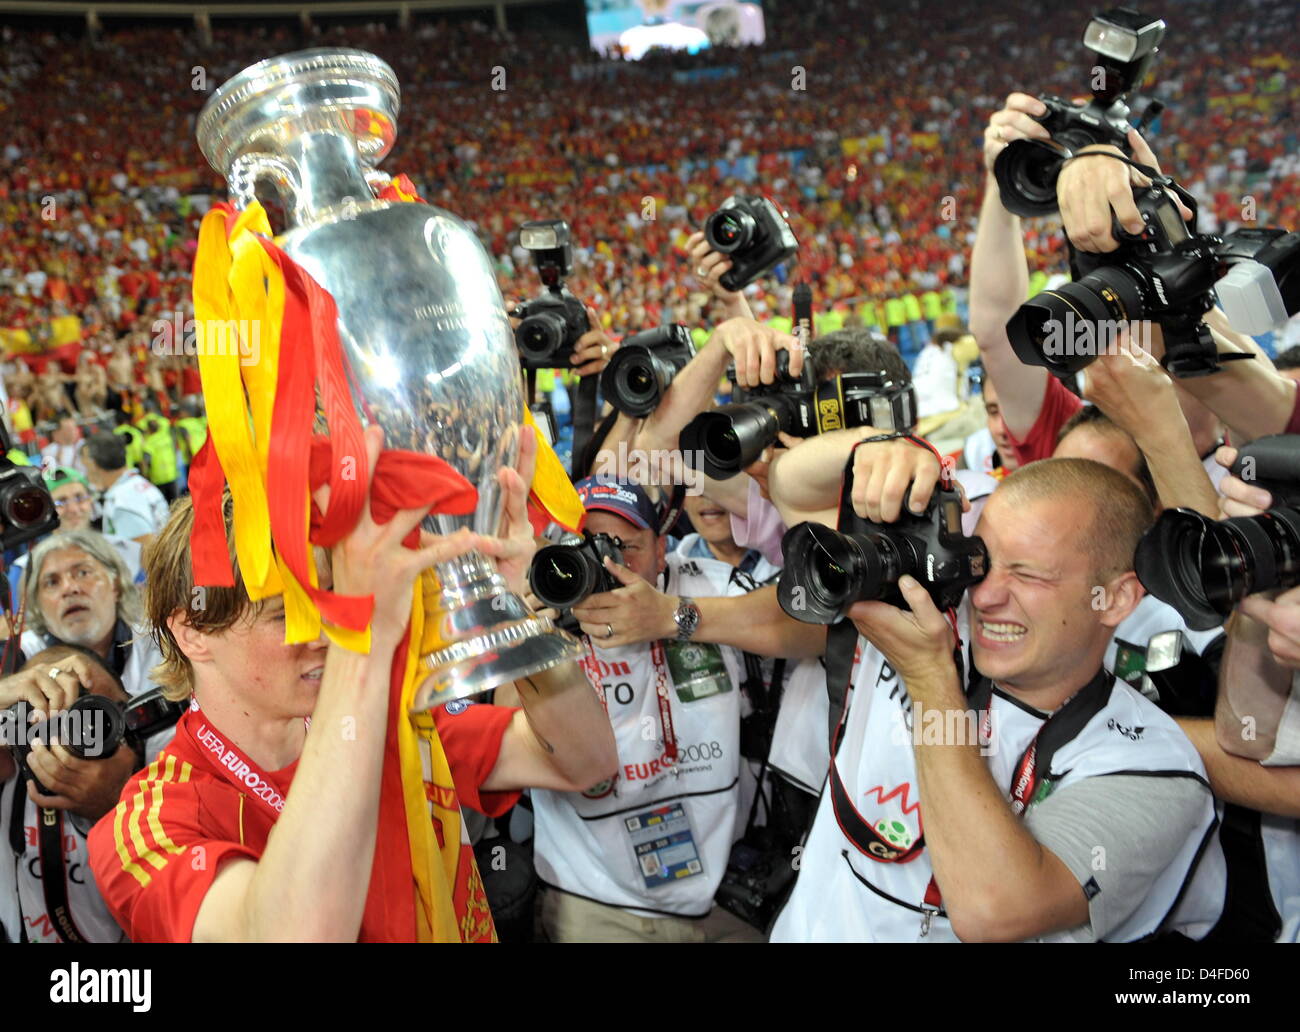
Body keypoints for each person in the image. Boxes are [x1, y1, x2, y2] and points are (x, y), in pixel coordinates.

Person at [87, 425, 617, 942]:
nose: (327, 632)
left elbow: (583, 760)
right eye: (287, 615)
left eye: (336, 599)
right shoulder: (147, 825)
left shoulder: (392, 724)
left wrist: (510, 613)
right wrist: (366, 651)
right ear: (192, 632)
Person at [771, 447, 1225, 941]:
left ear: (1115, 598)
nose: (985, 597)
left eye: (1028, 575)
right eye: (982, 563)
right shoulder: (916, 621)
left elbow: (993, 910)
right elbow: (788, 486)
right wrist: (884, 449)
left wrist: (928, 680)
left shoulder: (1153, 762)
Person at [528, 476, 787, 942]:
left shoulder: (703, 584)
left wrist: (674, 616)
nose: (608, 564)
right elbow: (509, 746)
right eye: (586, 548)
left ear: (662, 548)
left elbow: (810, 622)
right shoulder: (543, 613)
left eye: (625, 545)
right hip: (593, 897)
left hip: (719, 896)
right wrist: (531, 637)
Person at [0, 644, 177, 942]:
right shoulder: (8, 769)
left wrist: (117, 807)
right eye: (49, 722)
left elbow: (186, 911)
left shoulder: (170, 765)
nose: (81, 735)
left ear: (131, 713)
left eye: (97, 715)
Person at [81, 432, 169, 546]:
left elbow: (145, 553)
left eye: (84, 458)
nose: (83, 463)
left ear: (93, 463)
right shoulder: (137, 484)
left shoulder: (122, 501)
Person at [38, 412, 84, 477]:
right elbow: (52, 474)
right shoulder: (48, 450)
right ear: (56, 433)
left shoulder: (83, 445)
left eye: (75, 428)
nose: (75, 432)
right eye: (69, 429)